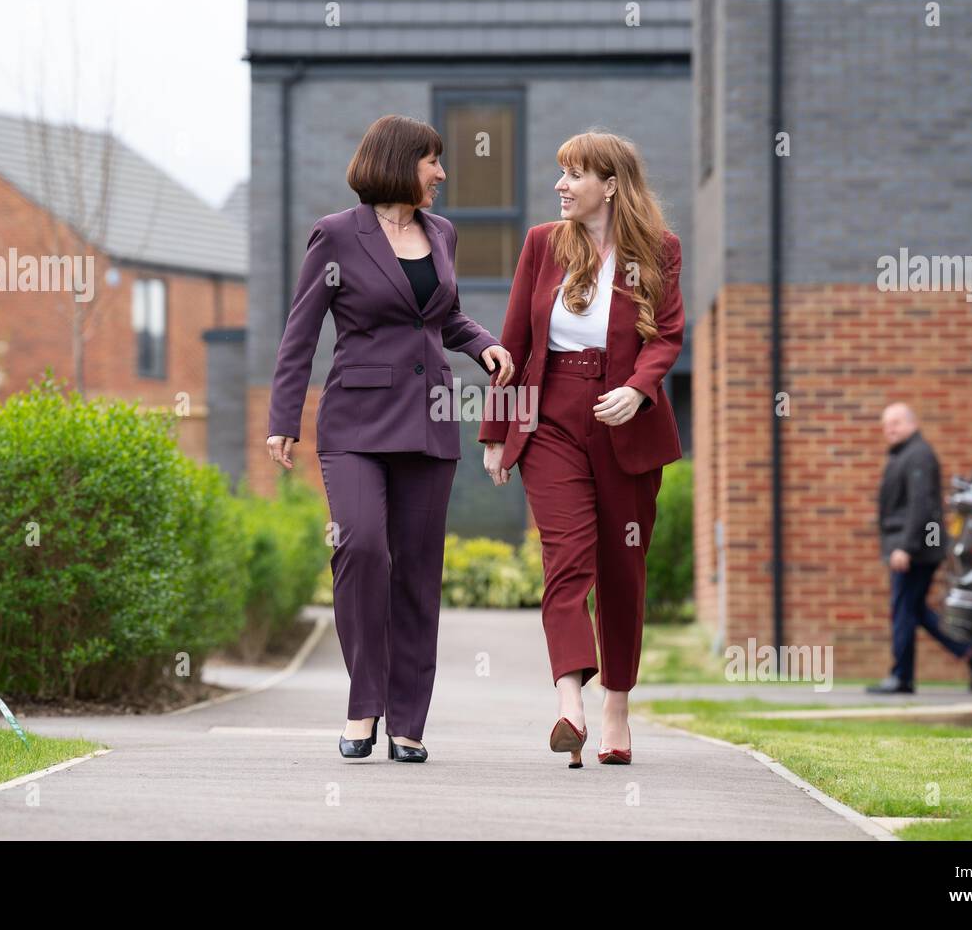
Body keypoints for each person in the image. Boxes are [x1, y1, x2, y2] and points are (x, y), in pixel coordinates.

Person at [266, 115, 513, 761]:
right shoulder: (336, 236)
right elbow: (300, 333)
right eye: (433, 161)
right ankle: (361, 705)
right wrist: (282, 421)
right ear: (403, 163)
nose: (442, 174)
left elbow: (445, 314)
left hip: (429, 420)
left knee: (417, 577)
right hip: (354, 423)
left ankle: (407, 723)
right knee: (362, 550)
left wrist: (484, 345)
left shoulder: (442, 233)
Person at [479, 131, 684, 767]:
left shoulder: (658, 249)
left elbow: (668, 334)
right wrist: (496, 434)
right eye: (561, 173)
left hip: (624, 420)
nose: (562, 185)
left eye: (576, 174)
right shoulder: (543, 243)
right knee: (566, 557)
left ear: (613, 185)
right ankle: (570, 701)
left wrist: (639, 389)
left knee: (623, 571)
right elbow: (513, 342)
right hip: (553, 418)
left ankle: (614, 707)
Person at [869, 403, 972, 694]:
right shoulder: (905, 455)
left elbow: (921, 507)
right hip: (917, 546)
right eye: (886, 425)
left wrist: (905, 548)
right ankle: (970, 651)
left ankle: (902, 677)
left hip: (917, 549)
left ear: (912, 423)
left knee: (903, 610)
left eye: (895, 423)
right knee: (914, 609)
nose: (889, 429)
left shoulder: (918, 455)